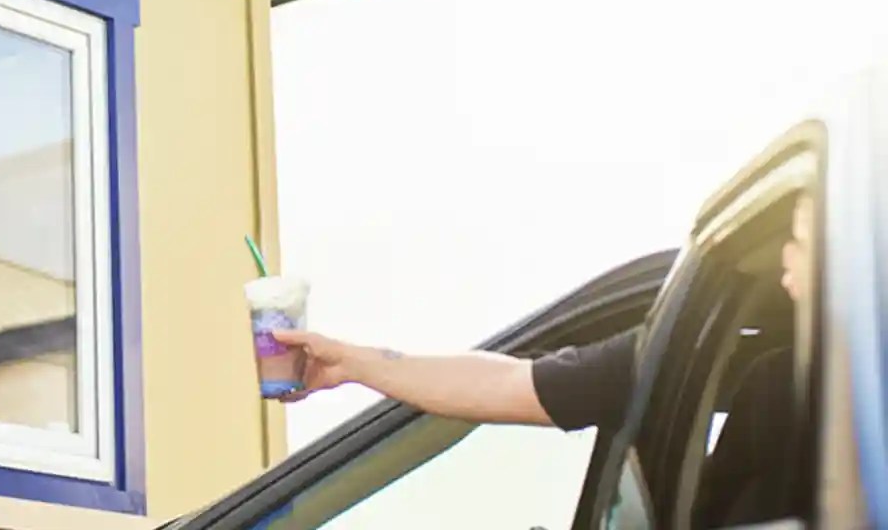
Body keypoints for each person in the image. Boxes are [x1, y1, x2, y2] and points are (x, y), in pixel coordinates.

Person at [272, 194, 814, 435]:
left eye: (808, 237)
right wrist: (354, 364)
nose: (788, 255)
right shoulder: (737, 360)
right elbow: (511, 385)